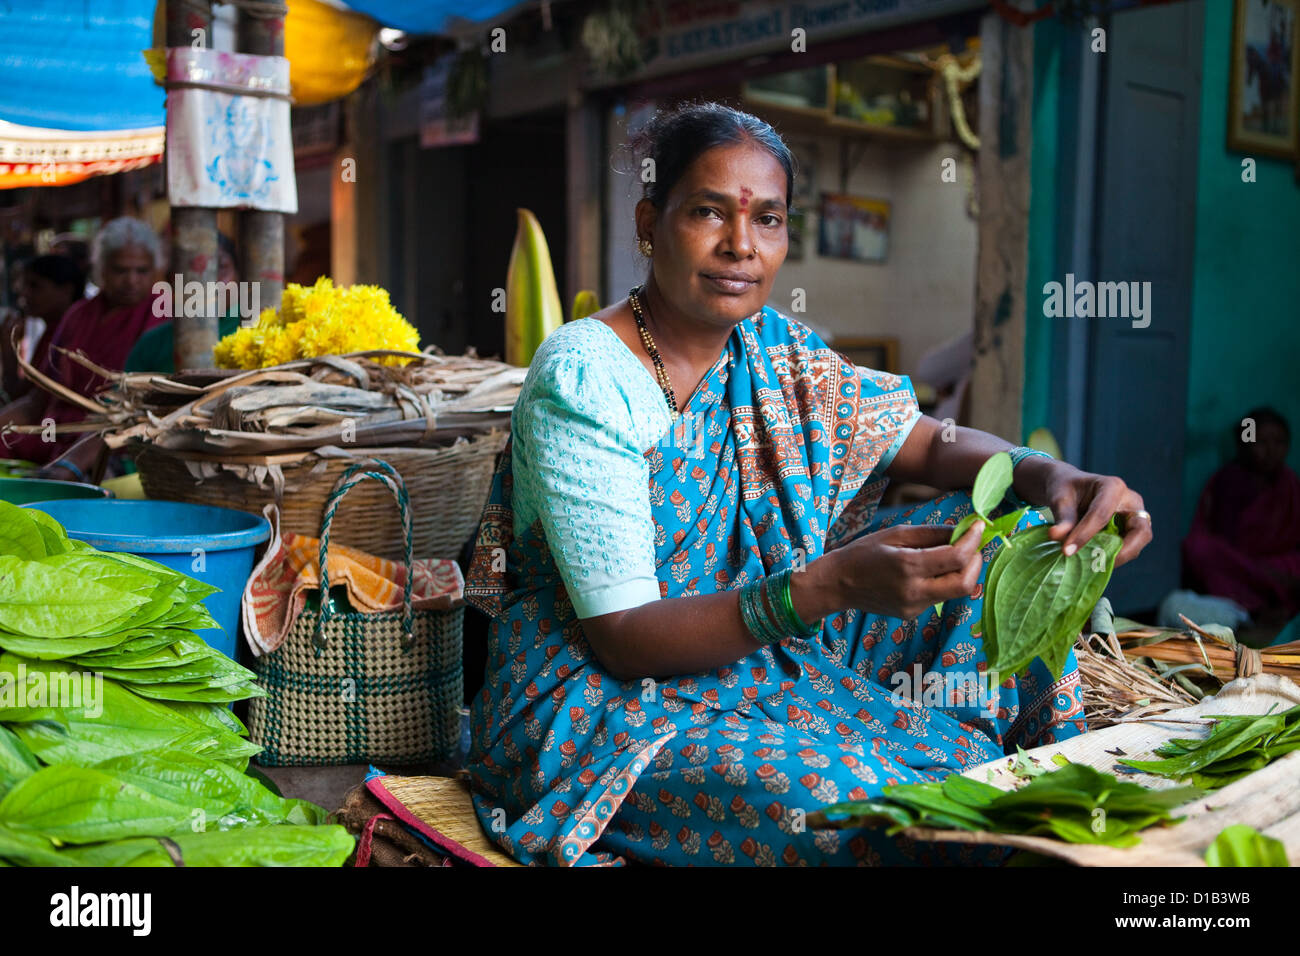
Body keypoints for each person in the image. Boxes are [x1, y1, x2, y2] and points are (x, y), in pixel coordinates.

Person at [461, 102, 1154, 867]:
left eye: (768, 219)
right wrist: (827, 587)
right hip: (601, 698)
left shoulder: (775, 350)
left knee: (1008, 533)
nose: (741, 247)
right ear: (650, 222)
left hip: (770, 651)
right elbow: (623, 638)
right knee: (849, 806)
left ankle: (1039, 788)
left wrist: (1048, 473)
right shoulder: (586, 377)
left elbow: (927, 441)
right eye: (708, 213)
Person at [0, 217, 165, 474]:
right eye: (120, 270)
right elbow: (39, 397)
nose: (131, 280)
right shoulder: (79, 314)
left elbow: (134, 411)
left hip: (111, 445)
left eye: (141, 271)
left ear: (155, 271)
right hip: (53, 434)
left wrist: (68, 465)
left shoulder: (162, 316)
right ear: (101, 270)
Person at [1182, 407, 1300, 627]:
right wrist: (1265, 574)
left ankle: (1273, 604)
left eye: (1279, 442)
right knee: (1200, 549)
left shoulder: (1290, 484)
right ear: (1244, 445)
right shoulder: (1231, 480)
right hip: (1242, 567)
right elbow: (1226, 543)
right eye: (1261, 442)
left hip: (1279, 563)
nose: (1271, 450)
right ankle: (1259, 610)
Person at [125, 232, 244, 373]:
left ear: (239, 274)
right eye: (190, 272)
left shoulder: (259, 331)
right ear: (171, 280)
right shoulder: (151, 344)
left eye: (221, 268)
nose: (207, 282)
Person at [0, 254, 85, 402]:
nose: (25, 294)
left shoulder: (73, 334)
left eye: (35, 286)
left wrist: (9, 349)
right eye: (25, 286)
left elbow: (25, 398)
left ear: (66, 290)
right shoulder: (51, 331)